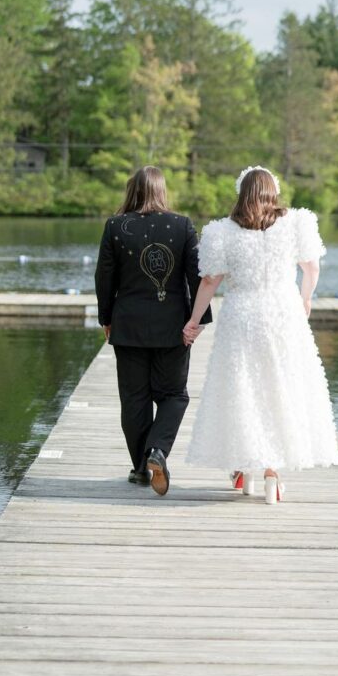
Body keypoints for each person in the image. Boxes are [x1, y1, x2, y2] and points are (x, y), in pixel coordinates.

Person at [182, 165, 338, 505]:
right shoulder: (296, 224)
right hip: (283, 313)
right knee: (279, 388)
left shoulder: (223, 232)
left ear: (241, 193)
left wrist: (193, 321)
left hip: (242, 316)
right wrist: (306, 298)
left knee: (244, 389)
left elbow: (210, 280)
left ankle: (245, 470)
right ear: (274, 192)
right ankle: (272, 473)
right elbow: (311, 266)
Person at [95, 165, 212, 496]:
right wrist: (197, 321)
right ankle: (158, 451)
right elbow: (197, 275)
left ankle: (140, 467)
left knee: (134, 399)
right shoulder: (182, 225)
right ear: (162, 191)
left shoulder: (116, 226)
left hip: (128, 325)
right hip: (173, 326)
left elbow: (104, 277)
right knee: (174, 394)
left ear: (132, 190)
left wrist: (106, 318)